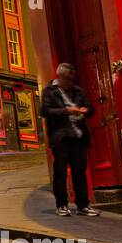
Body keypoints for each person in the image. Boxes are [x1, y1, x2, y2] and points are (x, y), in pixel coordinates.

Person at [41, 62, 98, 217]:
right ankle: (62, 205)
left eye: (72, 79)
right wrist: (67, 111)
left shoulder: (78, 91)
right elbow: (45, 111)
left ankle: (83, 205)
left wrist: (85, 111)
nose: (70, 83)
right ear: (59, 77)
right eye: (67, 79)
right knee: (60, 173)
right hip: (61, 138)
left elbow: (91, 108)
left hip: (78, 136)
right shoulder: (49, 91)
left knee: (79, 172)